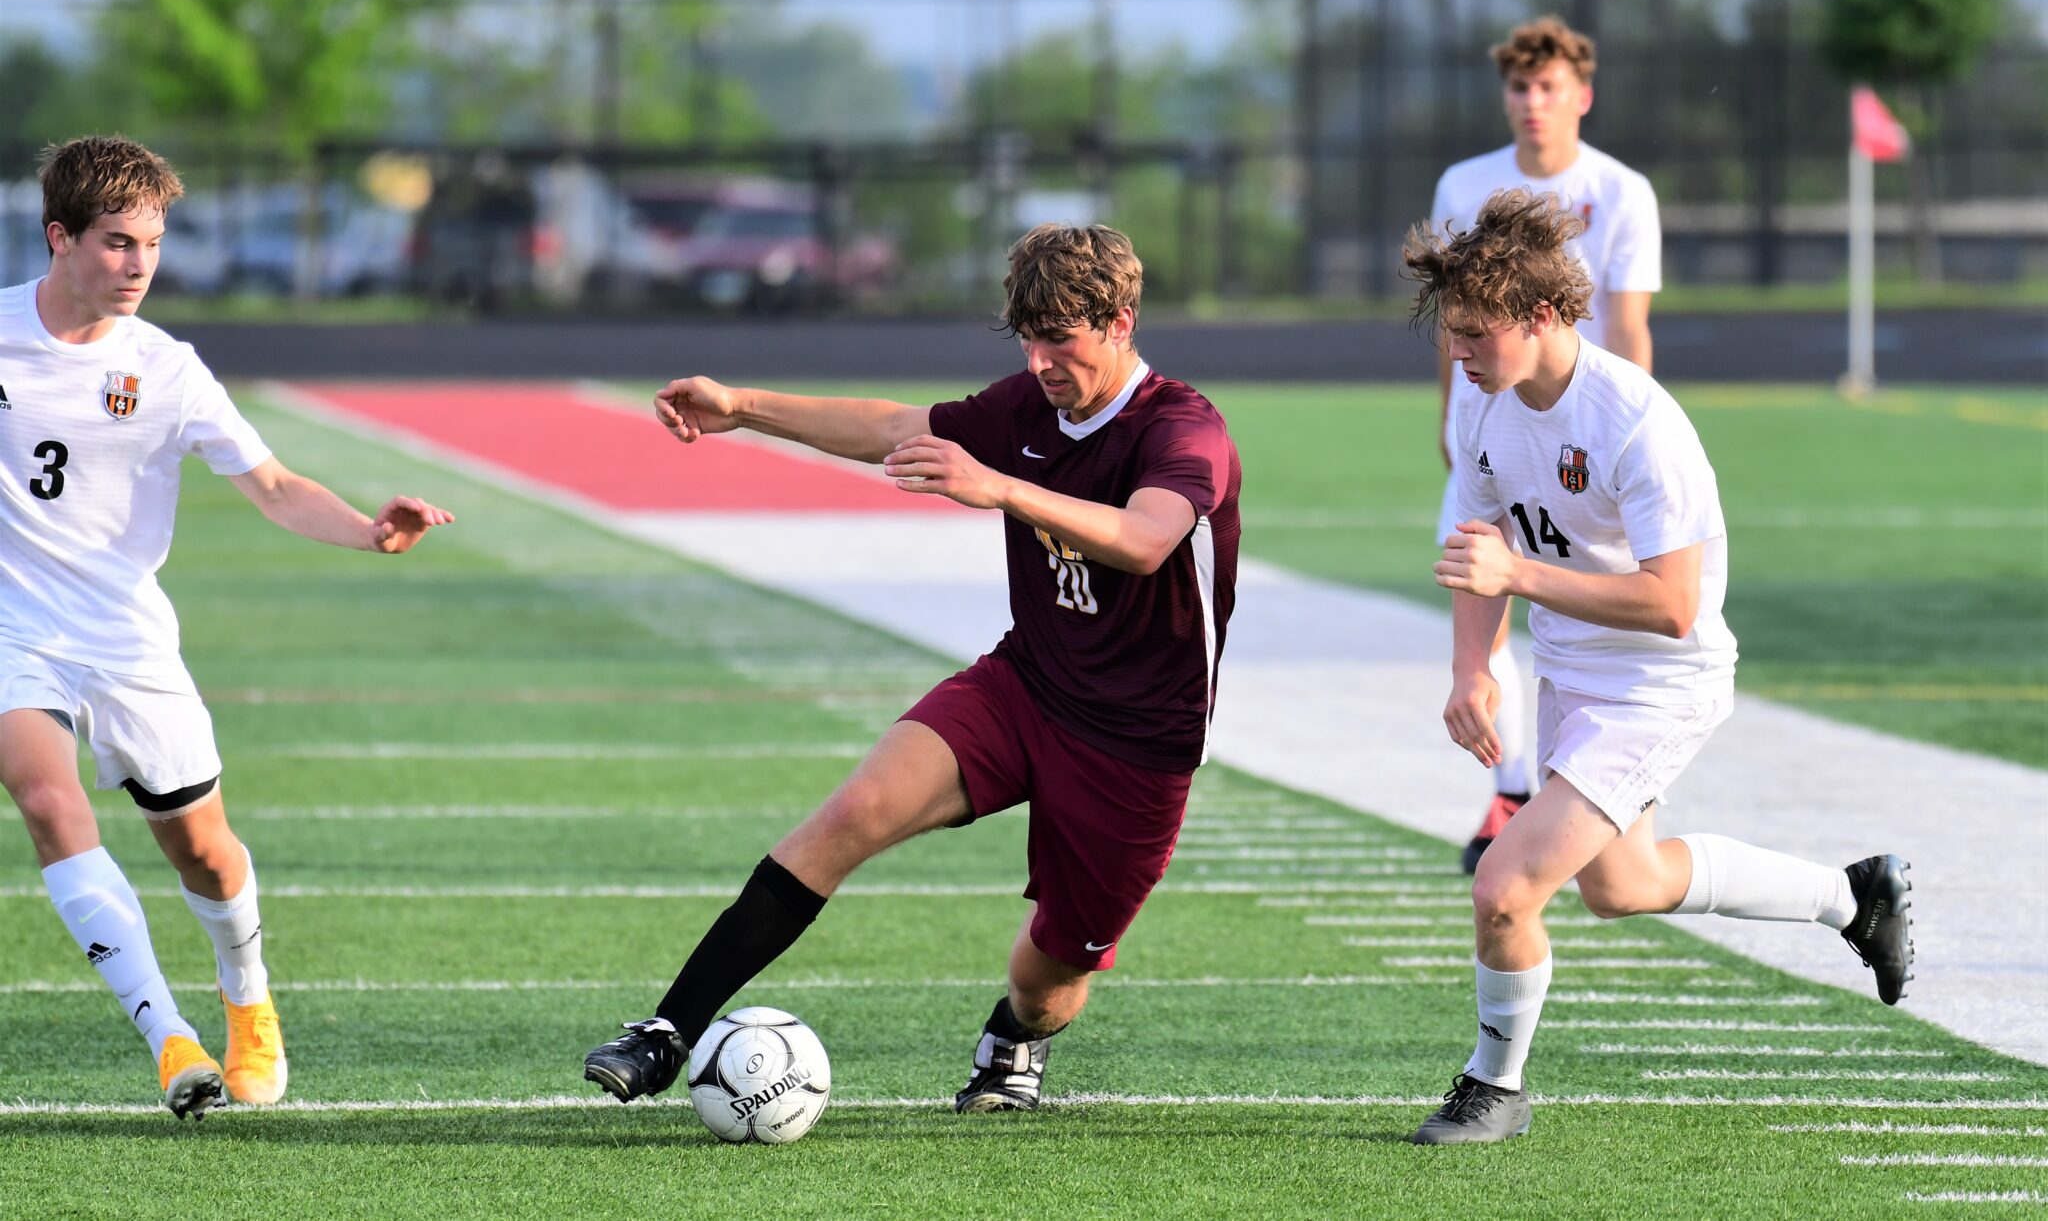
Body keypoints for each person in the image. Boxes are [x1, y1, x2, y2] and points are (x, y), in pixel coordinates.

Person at [581, 222, 1240, 1113]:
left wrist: (1000, 486)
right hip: (1028, 686)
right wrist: (741, 407)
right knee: (853, 811)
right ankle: (668, 1029)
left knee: (1050, 971)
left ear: (1121, 321)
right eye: (1031, 337)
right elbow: (893, 425)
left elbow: (1148, 539)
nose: (1044, 359)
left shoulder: (1183, 427)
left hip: (1136, 740)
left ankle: (1013, 1039)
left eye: (1064, 337)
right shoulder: (1025, 407)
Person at [1404, 188, 1912, 1146]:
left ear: (1544, 316)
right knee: (1621, 886)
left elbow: (1675, 604)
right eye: (1452, 332)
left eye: (1474, 333)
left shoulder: (1636, 420)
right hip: (1572, 676)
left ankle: (1494, 1088)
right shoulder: (1488, 409)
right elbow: (1481, 551)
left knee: (1505, 887)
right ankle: (1856, 897)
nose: (1458, 354)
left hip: (1660, 684)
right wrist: (1473, 668)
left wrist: (1521, 574)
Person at [1, 136, 454, 1117]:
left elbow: (277, 486)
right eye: (117, 242)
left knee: (202, 848)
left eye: (151, 244)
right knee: (47, 799)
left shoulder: (168, 369)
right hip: (13, 628)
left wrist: (371, 530)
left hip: (127, 639)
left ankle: (247, 999)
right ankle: (169, 1037)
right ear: (59, 237)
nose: (138, 265)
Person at [1426, 16, 1663, 873]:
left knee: (1595, 604)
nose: (1533, 103)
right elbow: (1452, 320)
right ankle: (1514, 789)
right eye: (1520, 87)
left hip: (1585, 434)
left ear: (1582, 96)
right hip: (1496, 426)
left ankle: (1610, 786)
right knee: (1478, 591)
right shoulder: (1465, 183)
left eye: (1549, 87)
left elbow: (1630, 325)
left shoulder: (1622, 190)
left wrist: (1631, 431)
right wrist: (1454, 420)